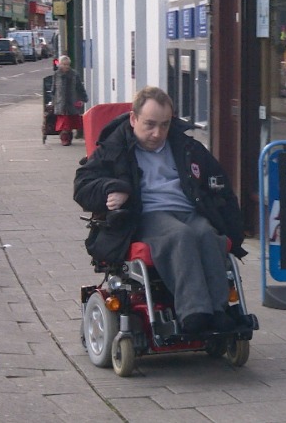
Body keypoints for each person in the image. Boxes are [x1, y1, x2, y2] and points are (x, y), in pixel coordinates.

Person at [73, 86, 247, 334]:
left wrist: (231, 225)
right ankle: (194, 312)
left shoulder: (187, 147)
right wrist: (114, 188)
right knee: (180, 236)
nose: (157, 133)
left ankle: (219, 311)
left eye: (164, 125)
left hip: (188, 211)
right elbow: (82, 187)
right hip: (147, 215)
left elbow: (219, 183)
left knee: (209, 235)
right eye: (150, 124)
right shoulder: (113, 148)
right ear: (134, 119)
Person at [51, 55, 88, 146]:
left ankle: (69, 137)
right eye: (64, 64)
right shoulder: (56, 74)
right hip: (60, 102)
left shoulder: (74, 74)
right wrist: (53, 100)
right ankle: (64, 138)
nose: (66, 66)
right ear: (60, 64)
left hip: (72, 102)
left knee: (70, 123)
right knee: (64, 123)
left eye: (67, 64)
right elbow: (53, 89)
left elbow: (80, 87)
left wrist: (83, 98)